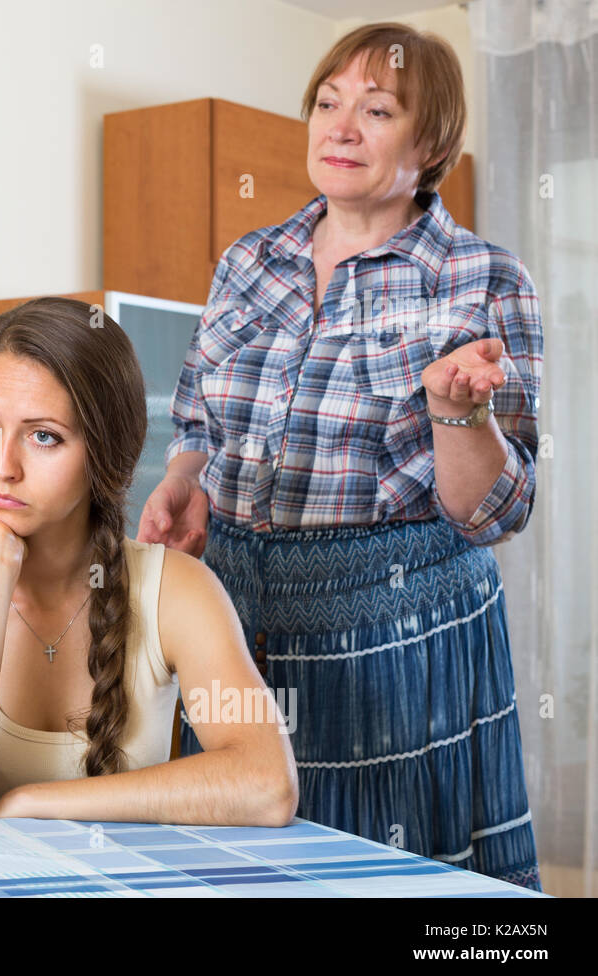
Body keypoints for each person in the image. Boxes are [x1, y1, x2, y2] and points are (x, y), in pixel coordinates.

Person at [137, 23, 543, 890]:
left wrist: (455, 414)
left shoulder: (482, 278)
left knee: (376, 881)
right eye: (327, 103)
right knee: (234, 861)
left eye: (377, 108)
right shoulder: (250, 260)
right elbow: (199, 423)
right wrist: (184, 484)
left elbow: (495, 511)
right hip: (238, 618)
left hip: (399, 635)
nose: (341, 126)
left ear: (430, 143)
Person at [0, 296, 297, 830]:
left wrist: (35, 801)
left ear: (103, 450)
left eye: (43, 436)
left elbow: (267, 784)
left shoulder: (179, 590)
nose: (1, 466)